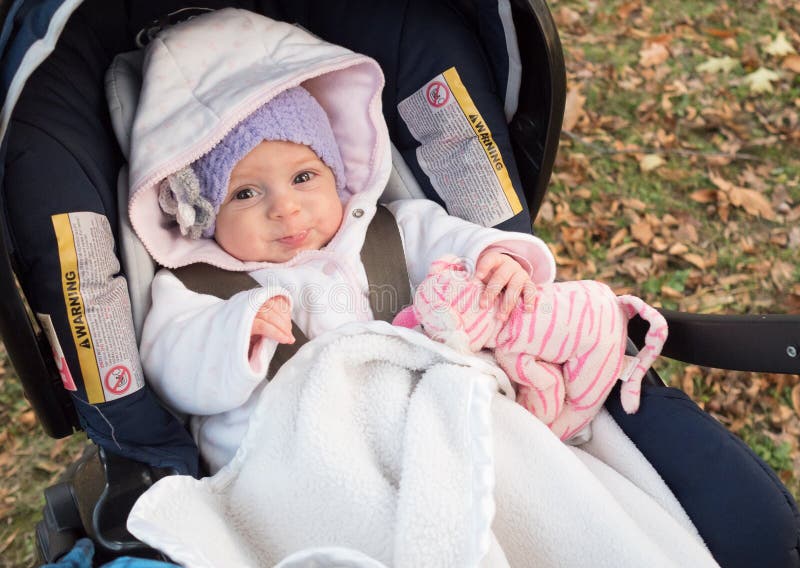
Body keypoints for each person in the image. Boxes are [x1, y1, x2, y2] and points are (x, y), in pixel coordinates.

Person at [127, 9, 798, 567]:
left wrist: (501, 258)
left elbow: (462, 243)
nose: (287, 210)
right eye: (247, 193)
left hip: (443, 415)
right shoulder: (199, 286)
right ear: (203, 211)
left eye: (304, 177)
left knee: (545, 502)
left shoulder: (391, 231)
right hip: (300, 456)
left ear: (337, 170)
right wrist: (235, 333)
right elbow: (169, 363)